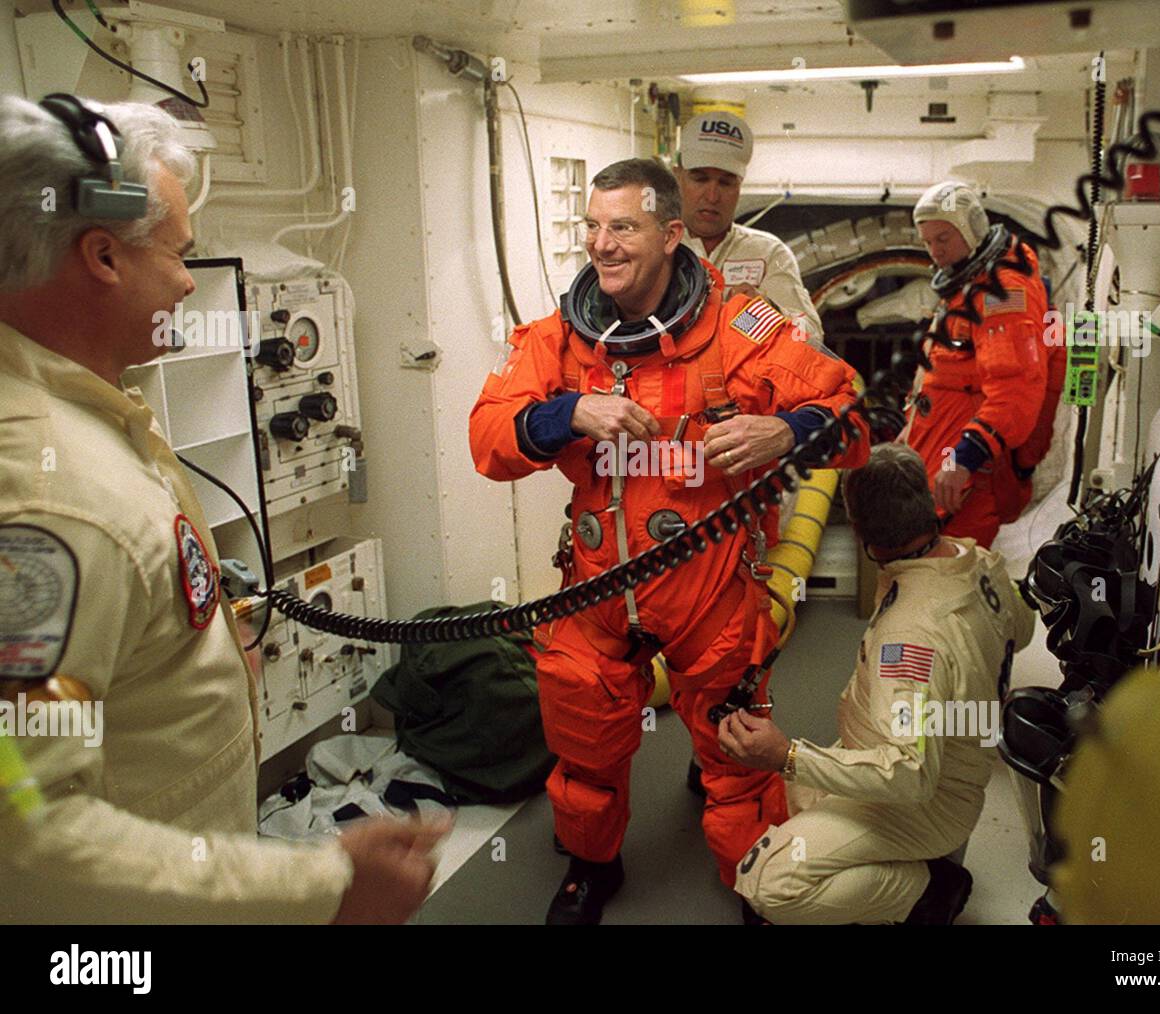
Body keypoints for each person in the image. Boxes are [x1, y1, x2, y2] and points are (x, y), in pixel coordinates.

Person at [0, 95, 443, 923]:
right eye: (179, 254)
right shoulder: (52, 496)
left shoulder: (91, 416)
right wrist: (322, 888)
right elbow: (23, 831)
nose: (183, 281)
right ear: (101, 255)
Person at [469, 157, 868, 924]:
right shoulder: (560, 340)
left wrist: (784, 430)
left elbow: (851, 413)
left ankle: (755, 875)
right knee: (584, 741)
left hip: (707, 586)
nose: (602, 244)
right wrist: (566, 415)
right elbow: (487, 441)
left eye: (623, 226)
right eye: (592, 226)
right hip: (596, 590)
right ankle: (591, 866)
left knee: (737, 751)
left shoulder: (740, 328)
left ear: (671, 234)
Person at [724, 444, 1036, 924]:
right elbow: (1025, 628)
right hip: (949, 754)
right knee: (791, 798)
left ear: (862, 534)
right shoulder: (979, 562)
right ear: (925, 502)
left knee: (764, 881)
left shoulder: (910, 636)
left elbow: (908, 773)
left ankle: (928, 890)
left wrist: (785, 754)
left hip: (926, 798)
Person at [905, 181, 1050, 547]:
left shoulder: (1002, 293)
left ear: (972, 229)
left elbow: (1015, 391)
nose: (934, 251)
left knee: (954, 579)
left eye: (943, 238)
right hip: (942, 466)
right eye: (927, 242)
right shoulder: (969, 286)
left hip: (969, 478)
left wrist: (963, 460)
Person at [675, 111, 823, 344]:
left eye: (725, 182)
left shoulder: (769, 252)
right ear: (678, 178)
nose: (712, 196)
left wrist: (760, 314)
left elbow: (811, 338)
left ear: (739, 186)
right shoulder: (653, 249)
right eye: (700, 179)